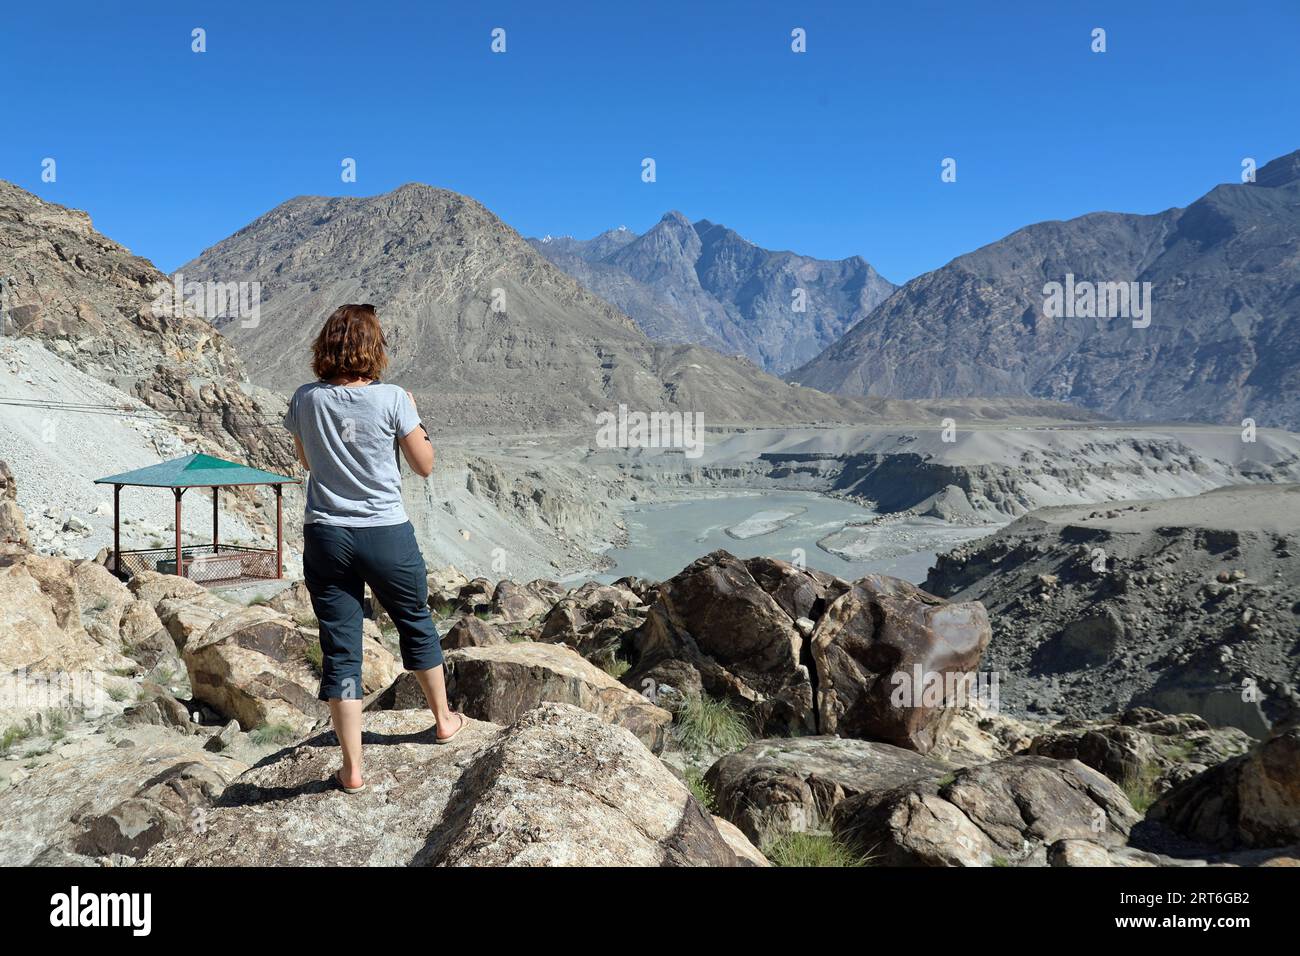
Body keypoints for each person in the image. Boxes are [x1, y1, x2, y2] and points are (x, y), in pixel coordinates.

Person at [282, 303, 466, 794]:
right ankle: (444, 722)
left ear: (326, 346)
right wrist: (412, 414)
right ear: (373, 348)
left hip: (326, 534)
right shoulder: (392, 399)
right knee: (414, 621)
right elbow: (424, 464)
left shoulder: (304, 398)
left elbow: (305, 459)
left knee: (341, 648)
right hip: (385, 531)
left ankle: (352, 769)